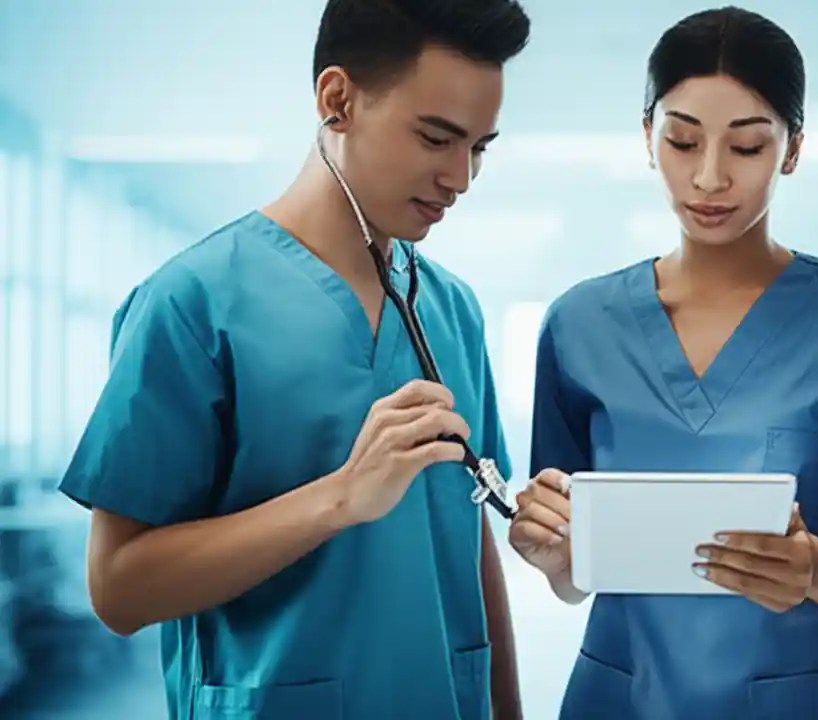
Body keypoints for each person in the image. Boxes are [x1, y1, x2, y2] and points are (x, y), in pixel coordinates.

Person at [59, 2, 531, 719]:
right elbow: (119, 589)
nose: (460, 177)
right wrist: (338, 498)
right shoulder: (192, 303)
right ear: (337, 100)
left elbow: (471, 545)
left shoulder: (451, 310)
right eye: (436, 138)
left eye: (480, 148)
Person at [507, 7, 818, 719]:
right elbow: (573, 578)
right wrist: (559, 560)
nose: (709, 178)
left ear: (794, 148)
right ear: (646, 138)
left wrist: (814, 570)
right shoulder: (578, 326)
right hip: (622, 698)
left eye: (746, 147)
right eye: (682, 141)